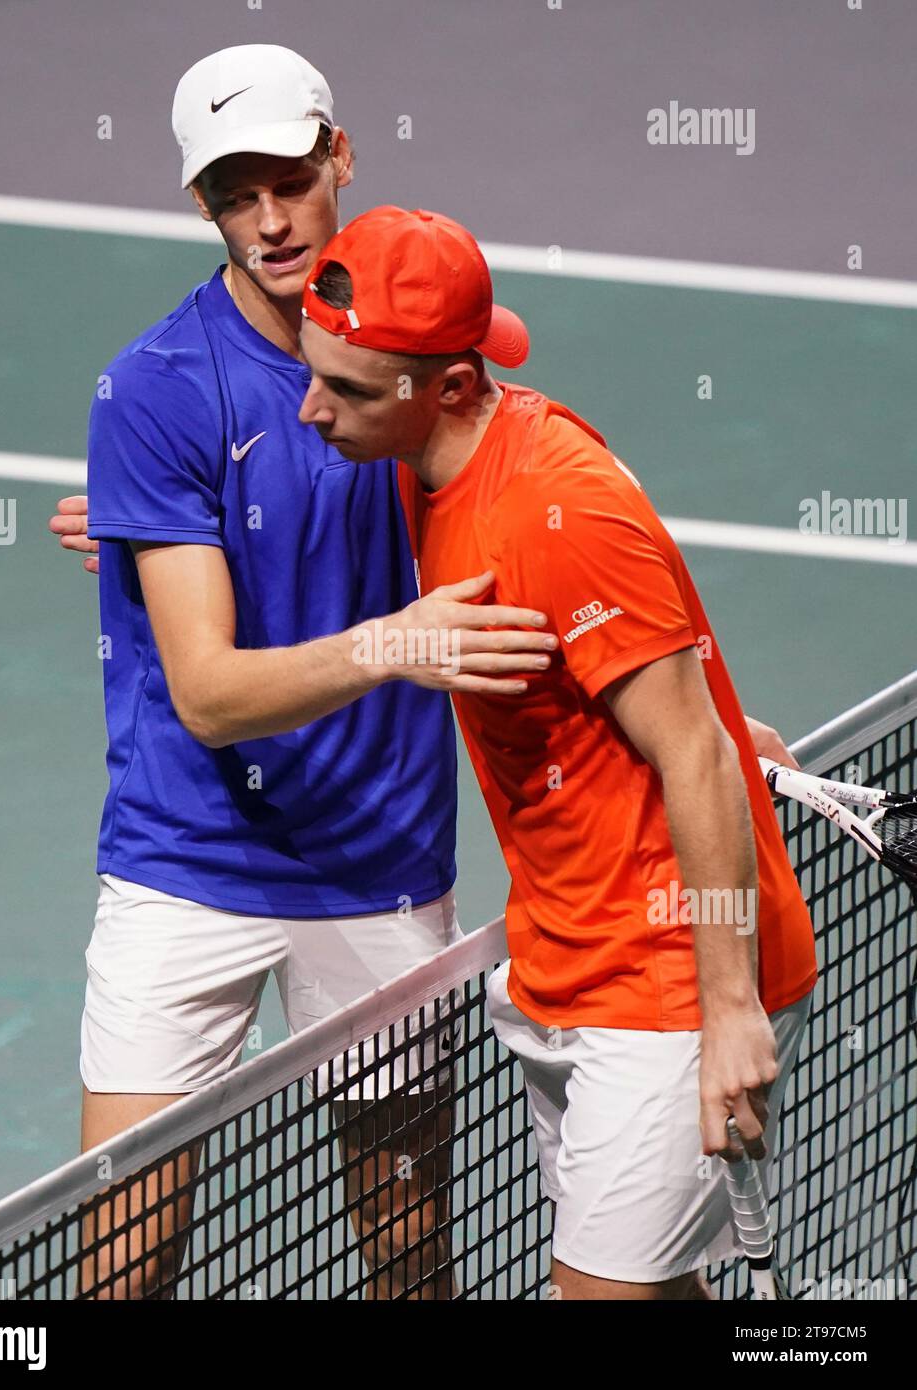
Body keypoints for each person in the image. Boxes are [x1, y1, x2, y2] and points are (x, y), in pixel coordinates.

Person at [55, 44, 555, 1301]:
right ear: (200, 204)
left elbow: (504, 507)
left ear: (340, 154)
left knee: (407, 1259)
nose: (269, 219)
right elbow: (210, 693)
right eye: (233, 192)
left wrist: (701, 709)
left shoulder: (409, 340)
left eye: (287, 176)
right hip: (185, 860)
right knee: (120, 1270)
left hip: (376, 864)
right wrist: (394, 640)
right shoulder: (159, 390)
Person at [285, 204, 818, 1301]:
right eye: (313, 371)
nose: (311, 408)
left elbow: (698, 759)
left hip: (668, 978)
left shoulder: (554, 504)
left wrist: (726, 1010)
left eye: (343, 388)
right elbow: (663, 693)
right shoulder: (422, 459)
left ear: (446, 385)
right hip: (562, 957)